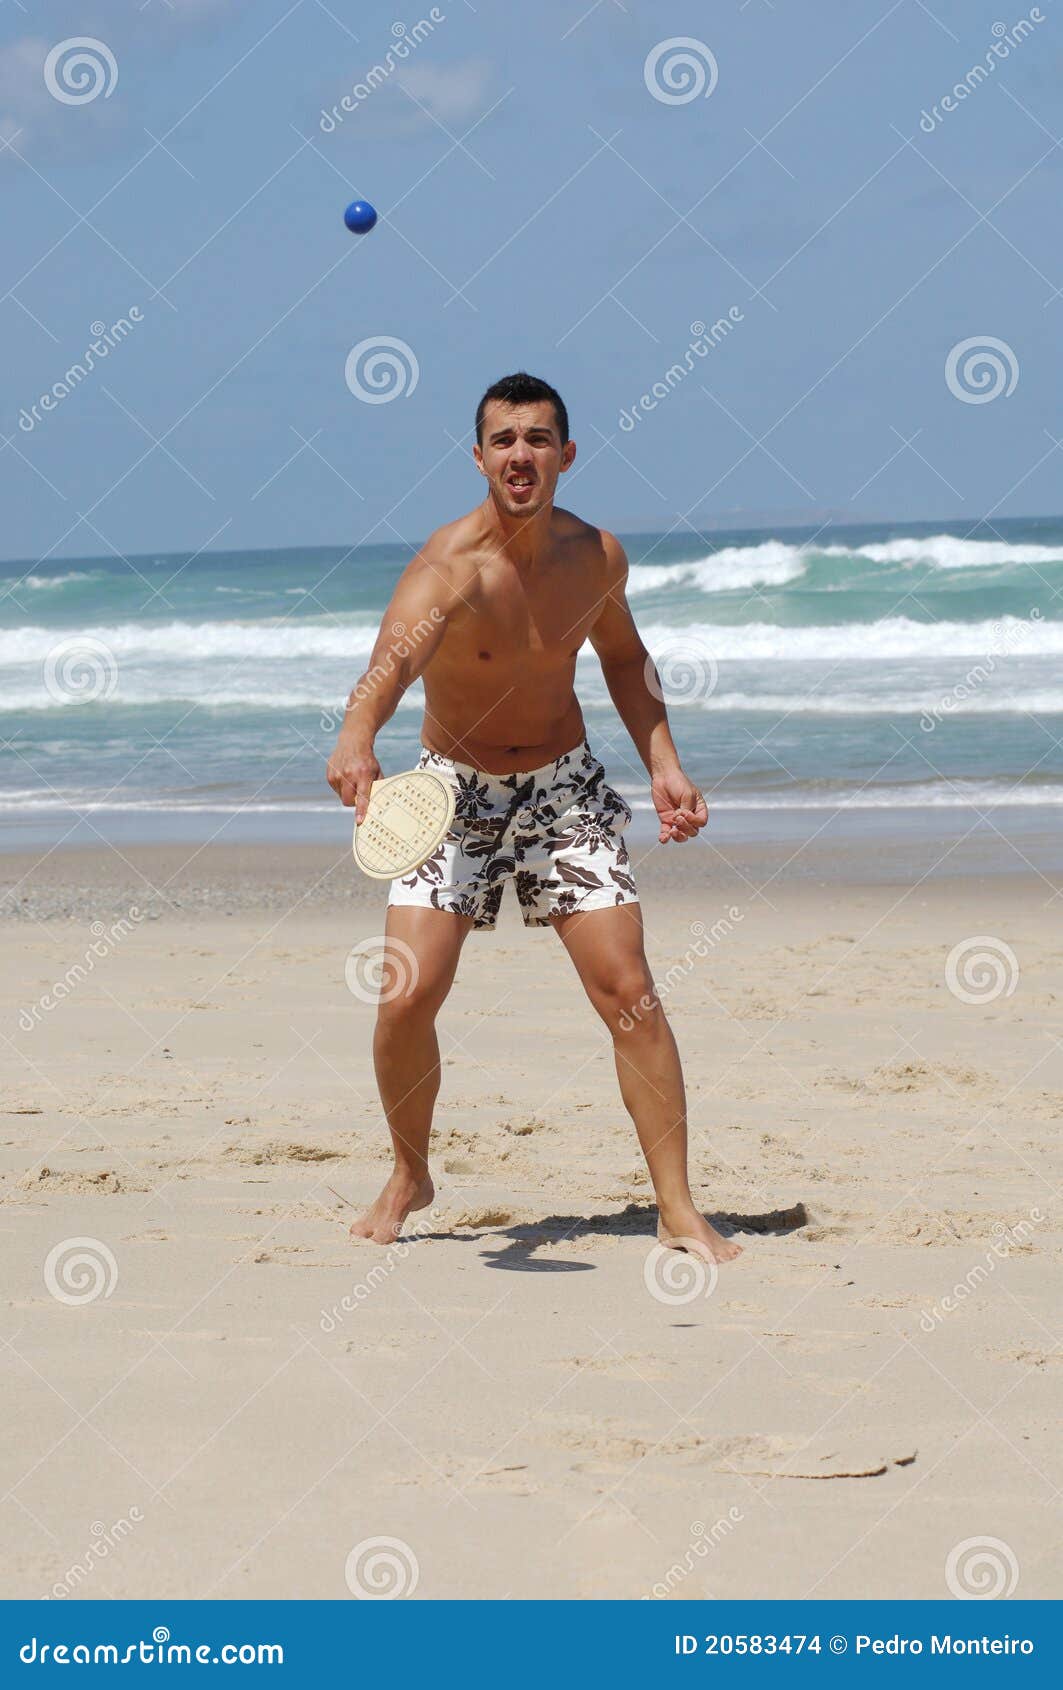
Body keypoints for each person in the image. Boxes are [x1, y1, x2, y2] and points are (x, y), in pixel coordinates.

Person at [327, 373, 741, 1268]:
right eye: (504, 440)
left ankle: (676, 1208)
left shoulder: (595, 557)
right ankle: (409, 1174)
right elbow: (389, 668)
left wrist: (664, 766)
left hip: (563, 795)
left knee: (628, 992)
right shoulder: (449, 564)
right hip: (452, 796)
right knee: (406, 995)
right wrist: (356, 737)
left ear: (566, 455)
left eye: (538, 439)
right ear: (478, 458)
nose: (521, 455)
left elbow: (625, 661)